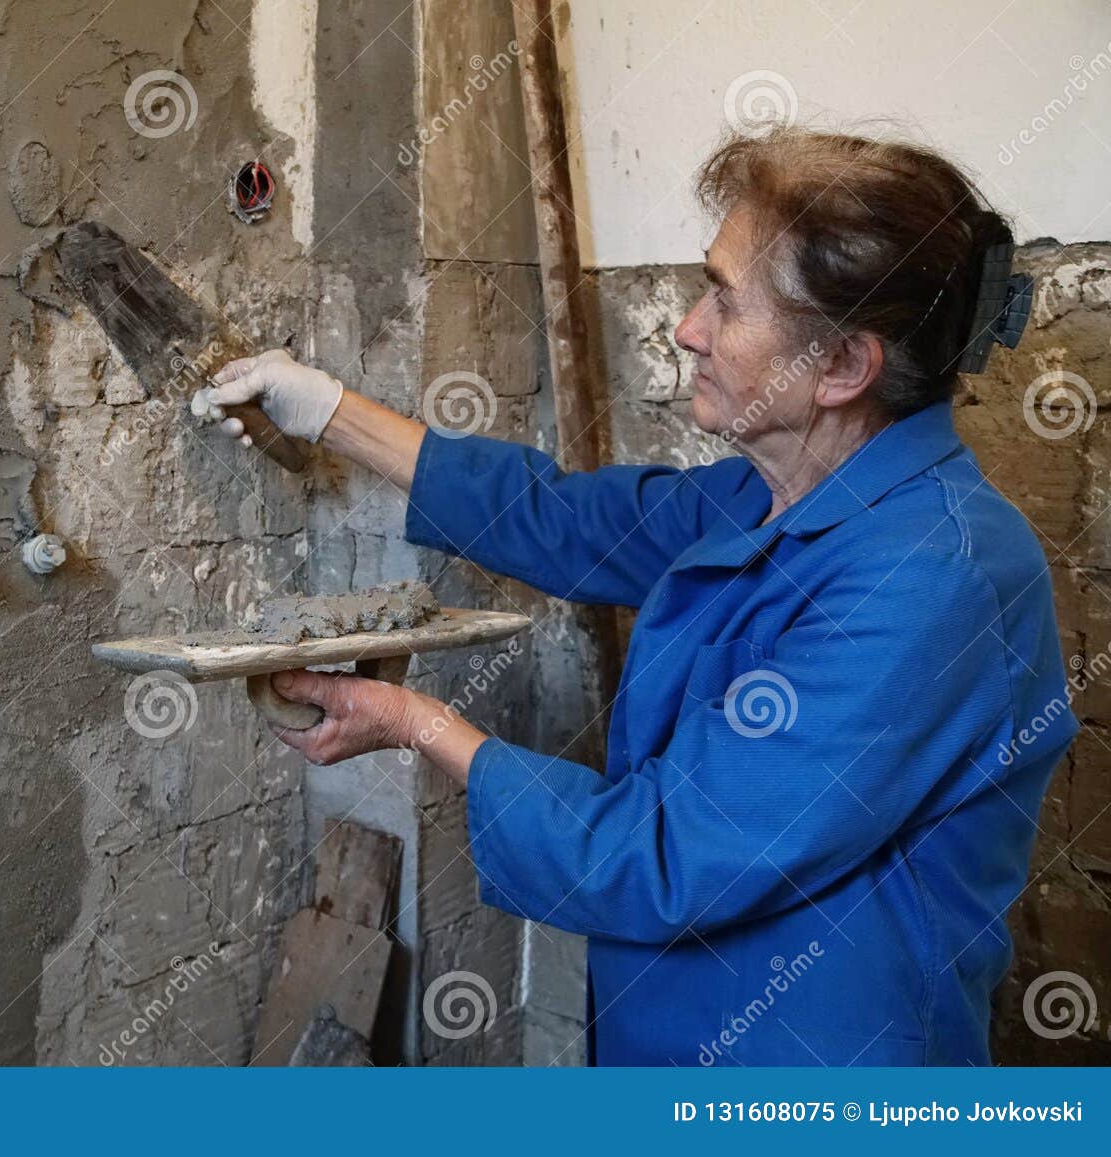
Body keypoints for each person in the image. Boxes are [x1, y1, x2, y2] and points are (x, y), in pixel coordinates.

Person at [193, 128, 1077, 1066]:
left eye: (726, 304)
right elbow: (566, 522)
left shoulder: (936, 577)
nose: (688, 328)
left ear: (843, 367)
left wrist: (415, 722)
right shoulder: (774, 491)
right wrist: (327, 408)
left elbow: (658, 853)